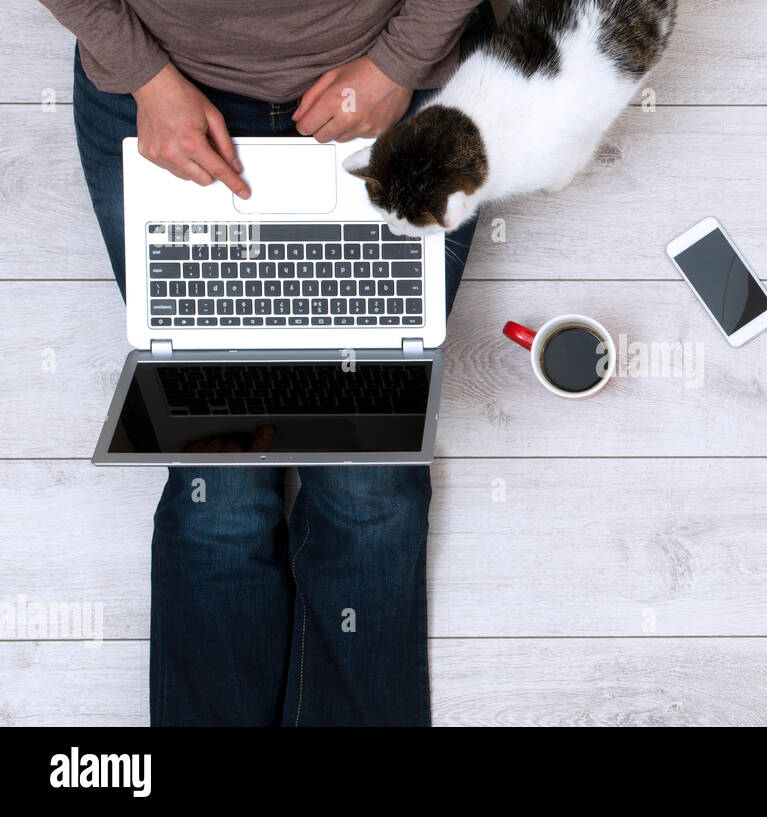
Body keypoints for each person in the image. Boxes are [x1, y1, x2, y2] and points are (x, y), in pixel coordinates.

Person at [41, 0, 496, 726]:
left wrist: (400, 63)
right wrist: (144, 77)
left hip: (398, 70)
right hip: (166, 90)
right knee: (218, 485)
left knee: (370, 478)